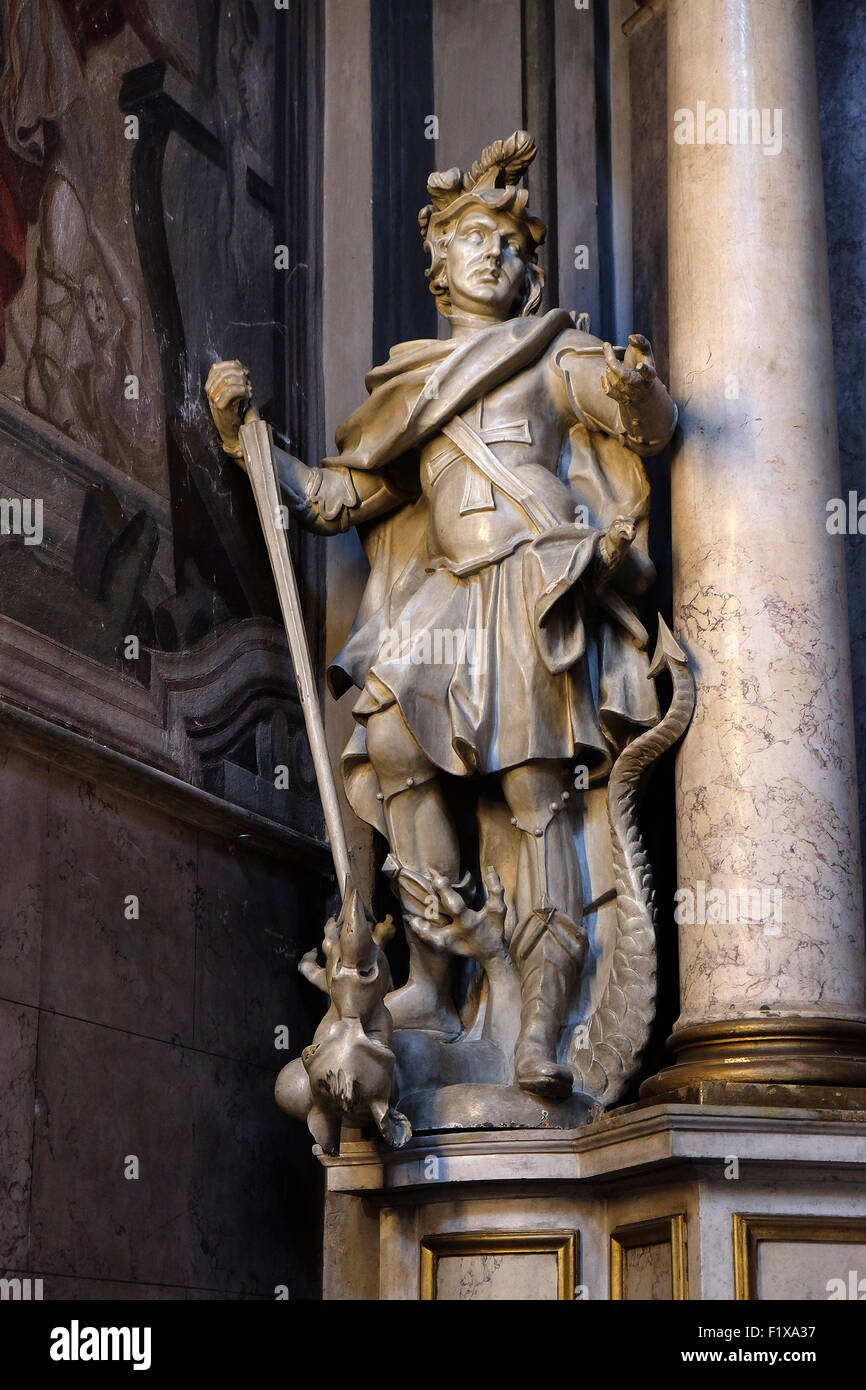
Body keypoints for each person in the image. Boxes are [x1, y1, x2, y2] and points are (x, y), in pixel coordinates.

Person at [207, 132, 677, 1099]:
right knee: (389, 740)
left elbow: (642, 419)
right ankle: (432, 975)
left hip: (534, 588)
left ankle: (541, 1028)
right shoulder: (408, 389)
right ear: (438, 263)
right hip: (447, 599)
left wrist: (638, 390)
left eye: (511, 246)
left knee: (535, 801)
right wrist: (250, 444)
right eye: (474, 238)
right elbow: (338, 500)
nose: (495, 255)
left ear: (530, 273)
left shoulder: (556, 355)